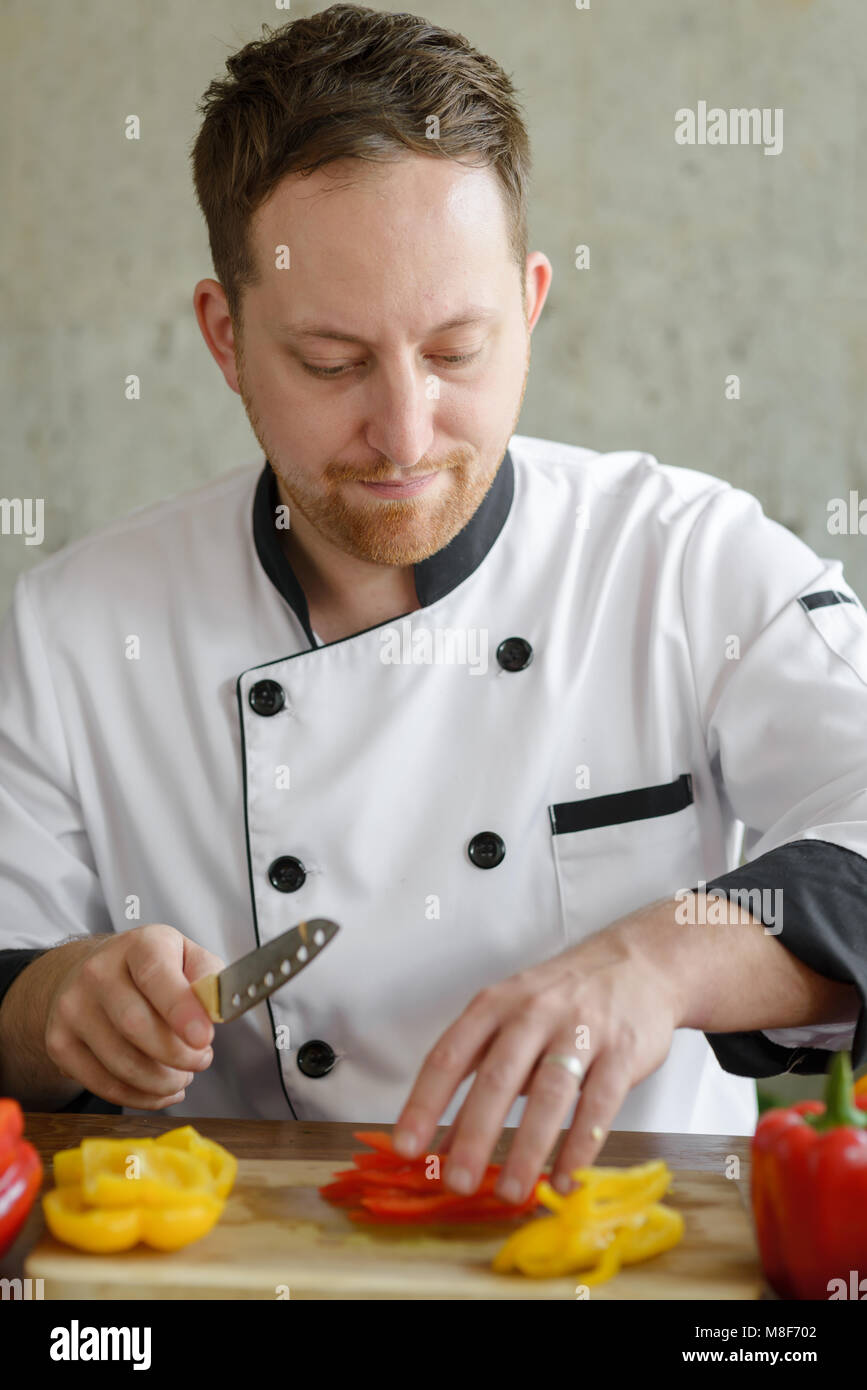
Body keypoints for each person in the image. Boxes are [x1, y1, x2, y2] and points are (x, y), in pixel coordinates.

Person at [1, 5, 865, 1207]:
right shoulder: (70, 634)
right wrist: (58, 1007)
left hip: (628, 1254)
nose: (404, 435)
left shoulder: (691, 565)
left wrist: (663, 957)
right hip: (246, 1263)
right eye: (330, 363)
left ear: (532, 305)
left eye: (457, 350)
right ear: (225, 338)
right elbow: (4, 988)